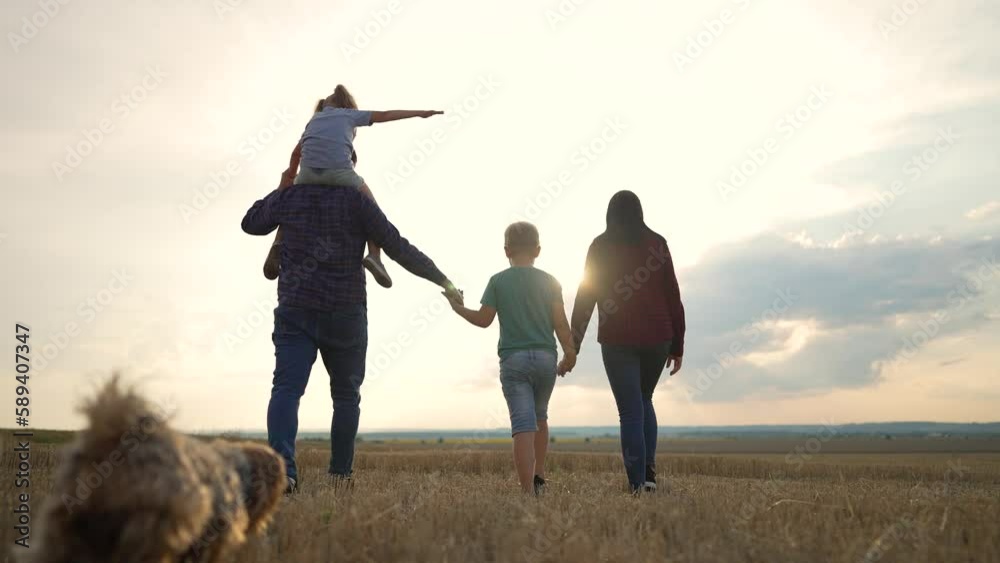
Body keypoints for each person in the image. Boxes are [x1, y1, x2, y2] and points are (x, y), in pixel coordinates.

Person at [242, 175, 463, 493]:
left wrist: (283, 186)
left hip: (296, 308)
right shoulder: (357, 199)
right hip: (345, 311)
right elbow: (398, 246)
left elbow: (250, 222)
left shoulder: (291, 196)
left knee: (287, 389)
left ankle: (284, 474)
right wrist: (444, 280)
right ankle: (340, 475)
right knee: (346, 398)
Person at [262, 84, 444, 287]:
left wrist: (290, 175)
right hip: (340, 174)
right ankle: (374, 256)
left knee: (287, 204)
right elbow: (386, 115)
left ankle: (278, 243)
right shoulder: (349, 115)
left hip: (307, 175)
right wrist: (419, 113)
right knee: (372, 209)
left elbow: (296, 154)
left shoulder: (313, 121)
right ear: (345, 104)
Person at [445, 222, 577, 494]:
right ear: (538, 250)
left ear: (506, 251)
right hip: (545, 358)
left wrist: (457, 307)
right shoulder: (551, 281)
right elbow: (561, 324)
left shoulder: (498, 281)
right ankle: (539, 477)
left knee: (522, 425)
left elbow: (483, 320)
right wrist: (570, 354)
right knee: (540, 418)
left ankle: (527, 491)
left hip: (514, 361)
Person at [569, 191, 685, 494]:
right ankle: (648, 476)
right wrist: (678, 345)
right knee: (644, 401)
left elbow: (586, 296)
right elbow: (673, 296)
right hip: (659, 338)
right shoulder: (657, 243)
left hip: (618, 338)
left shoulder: (600, 246)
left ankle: (637, 484)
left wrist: (573, 344)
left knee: (631, 410)